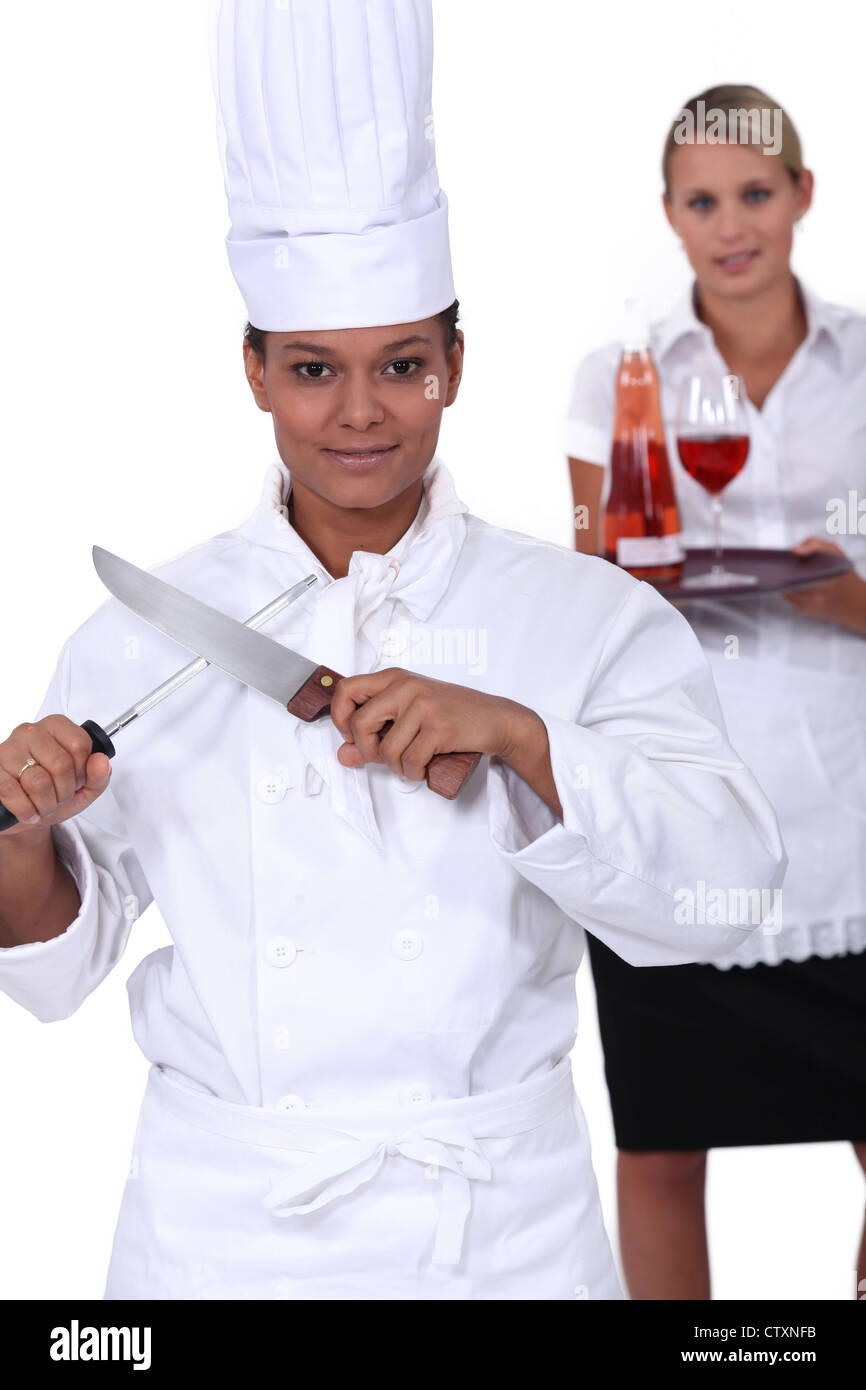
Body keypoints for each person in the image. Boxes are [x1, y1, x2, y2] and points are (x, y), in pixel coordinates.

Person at [0, 16, 784, 1301]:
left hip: (500, 1239)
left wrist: (526, 740)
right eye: (313, 369)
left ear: (455, 367)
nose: (357, 413)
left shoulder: (578, 615)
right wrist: (21, 834)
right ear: (253, 371)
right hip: (222, 1234)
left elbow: (726, 894)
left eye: (400, 366)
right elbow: (51, 970)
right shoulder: (145, 629)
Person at [565, 83, 866, 1300]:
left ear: (800, 194)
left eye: (753, 193)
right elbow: (592, 592)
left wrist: (821, 588)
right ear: (669, 215)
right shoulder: (617, 374)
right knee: (660, 1136)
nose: (729, 224)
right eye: (702, 200)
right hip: (671, 804)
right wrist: (649, 580)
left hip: (846, 823)